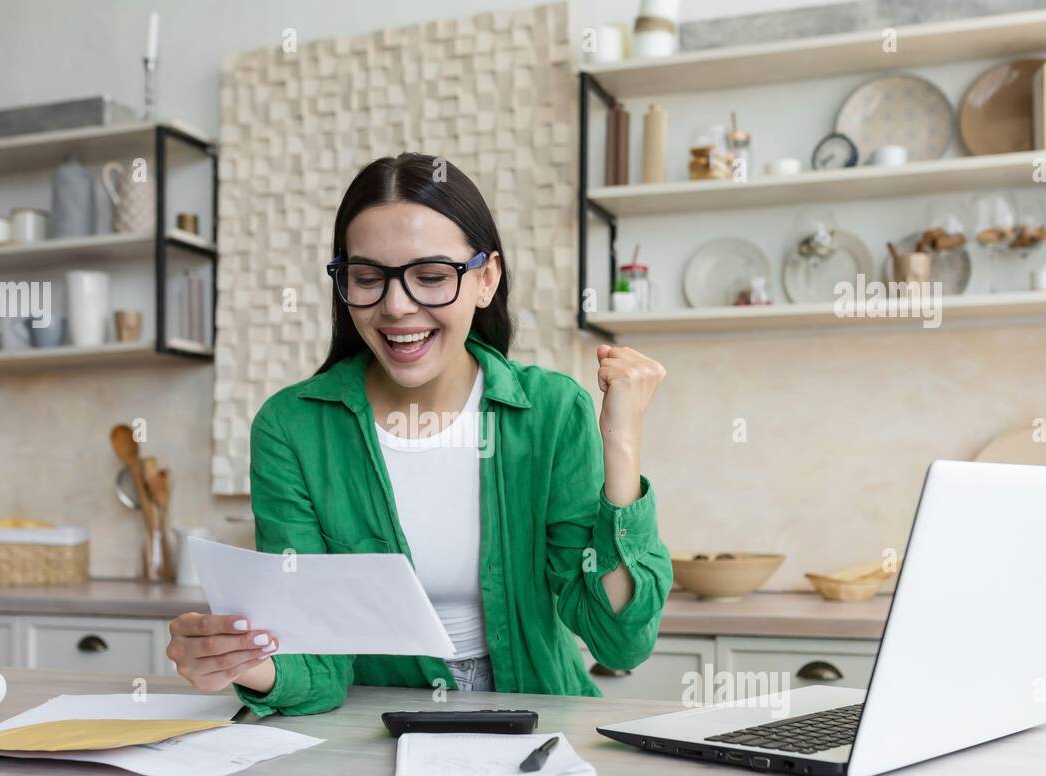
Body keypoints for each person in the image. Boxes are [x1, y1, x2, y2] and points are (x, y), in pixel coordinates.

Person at [167, 152, 673, 716]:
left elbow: (620, 640)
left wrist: (621, 438)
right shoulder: (292, 429)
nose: (397, 306)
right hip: (379, 732)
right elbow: (319, 666)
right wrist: (244, 661)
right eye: (367, 279)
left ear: (486, 279)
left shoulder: (552, 412)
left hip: (542, 725)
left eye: (431, 277)